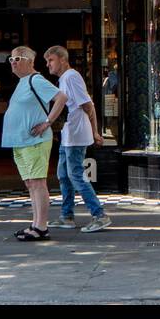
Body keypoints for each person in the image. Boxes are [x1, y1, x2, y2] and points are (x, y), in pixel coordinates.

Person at [44, 45, 111, 232]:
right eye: (47, 61)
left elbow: (88, 106)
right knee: (64, 175)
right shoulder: (65, 79)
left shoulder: (71, 77)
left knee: (76, 175)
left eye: (51, 60)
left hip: (75, 135)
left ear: (63, 60)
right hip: (68, 135)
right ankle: (67, 216)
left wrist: (95, 132)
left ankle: (99, 214)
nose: (48, 65)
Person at [4, 46, 67, 241]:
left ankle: (41, 226)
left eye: (18, 58)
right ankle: (35, 223)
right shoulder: (22, 82)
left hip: (34, 141)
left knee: (37, 182)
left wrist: (47, 122)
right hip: (21, 141)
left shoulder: (35, 80)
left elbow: (61, 97)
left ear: (30, 62)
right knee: (31, 183)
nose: (13, 62)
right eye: (11, 58)